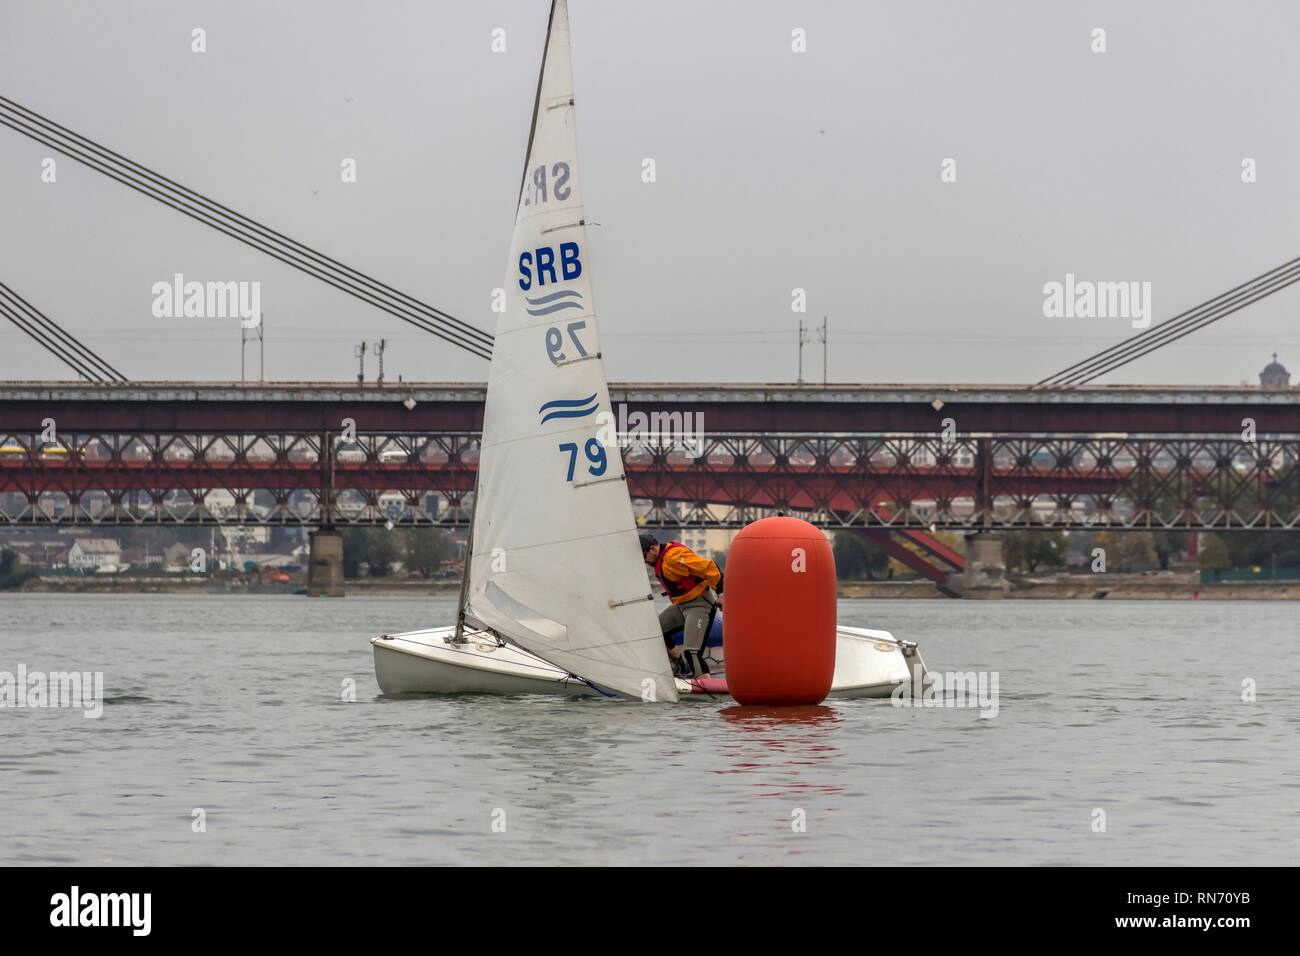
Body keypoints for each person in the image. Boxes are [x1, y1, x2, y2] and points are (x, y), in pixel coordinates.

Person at [640, 532, 723, 680]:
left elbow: (708, 567)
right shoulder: (661, 559)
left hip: (700, 605)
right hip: (681, 606)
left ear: (652, 548)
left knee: (692, 652)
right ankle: (680, 664)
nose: (644, 561)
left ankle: (706, 691)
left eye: (644, 556)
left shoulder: (674, 557)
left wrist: (722, 594)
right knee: (656, 632)